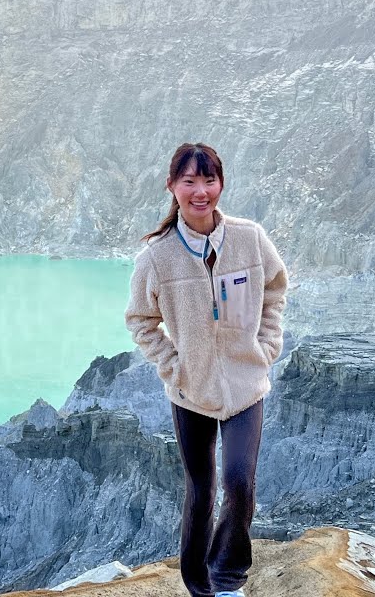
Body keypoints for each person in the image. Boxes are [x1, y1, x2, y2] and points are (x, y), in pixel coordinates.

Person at [124, 142, 288, 597]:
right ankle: (199, 587)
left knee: (239, 482)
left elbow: (275, 290)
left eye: (209, 179)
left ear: (221, 183)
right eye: (189, 181)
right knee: (200, 491)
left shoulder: (249, 237)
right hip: (190, 391)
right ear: (172, 186)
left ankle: (228, 577)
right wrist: (174, 367)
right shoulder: (157, 258)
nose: (201, 191)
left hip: (245, 385)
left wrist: (267, 344)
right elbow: (141, 320)